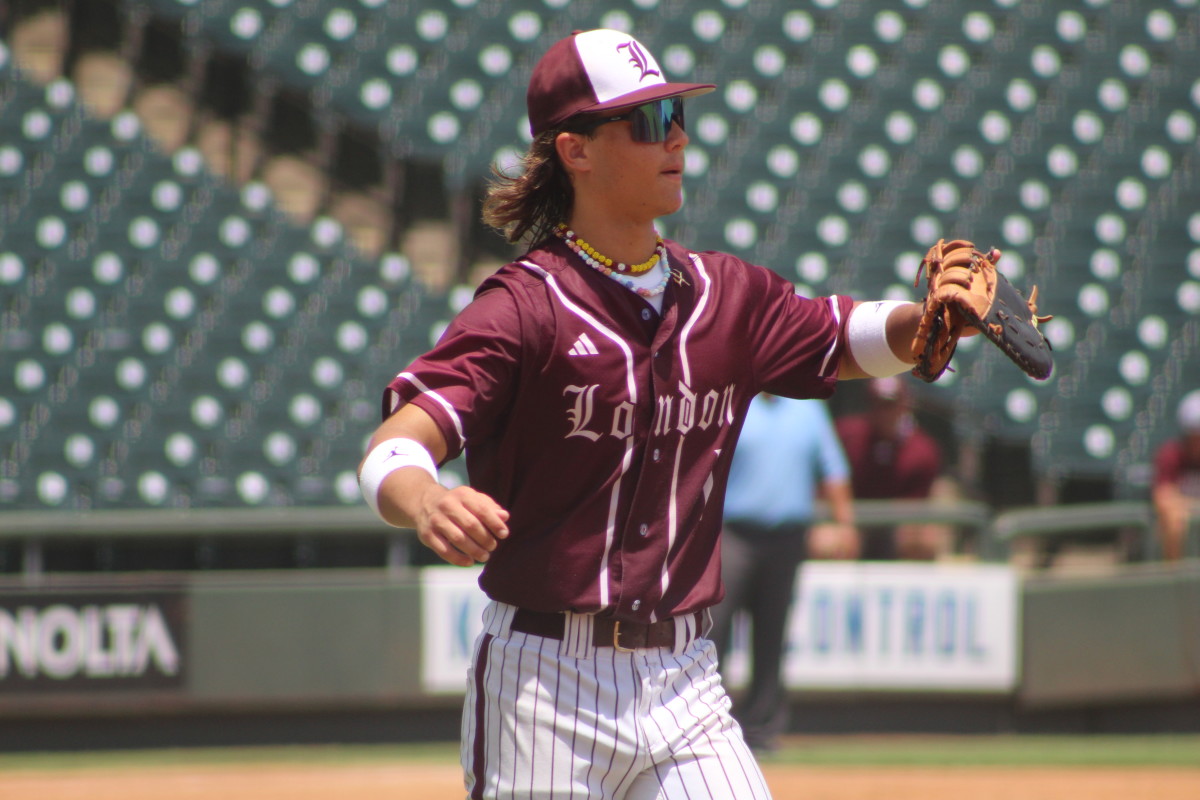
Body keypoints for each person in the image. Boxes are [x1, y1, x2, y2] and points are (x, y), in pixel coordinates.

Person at [357, 29, 969, 800]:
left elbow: (842, 335)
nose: (675, 136)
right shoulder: (523, 309)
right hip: (546, 685)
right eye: (646, 122)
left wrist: (931, 324)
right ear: (575, 151)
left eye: (675, 113)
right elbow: (393, 447)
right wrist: (428, 499)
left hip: (685, 679)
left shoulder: (726, 294)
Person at [708, 394, 856, 755]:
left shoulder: (809, 408)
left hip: (788, 537)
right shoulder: (736, 401)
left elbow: (833, 469)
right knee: (715, 632)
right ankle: (709, 725)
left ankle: (760, 732)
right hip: (732, 534)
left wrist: (844, 523)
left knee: (772, 635)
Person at [835, 376, 945, 560]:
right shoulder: (848, 436)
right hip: (855, 516)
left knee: (921, 541)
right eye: (879, 404)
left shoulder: (922, 449)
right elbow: (829, 483)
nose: (885, 413)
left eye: (891, 405)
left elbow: (917, 505)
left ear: (905, 405)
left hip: (899, 522)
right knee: (830, 540)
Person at [1152, 390, 1200, 560]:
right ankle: (1175, 580)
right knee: (1175, 521)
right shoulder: (1171, 454)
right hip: (1181, 523)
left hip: (1187, 509)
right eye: (1196, 436)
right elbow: (1163, 499)